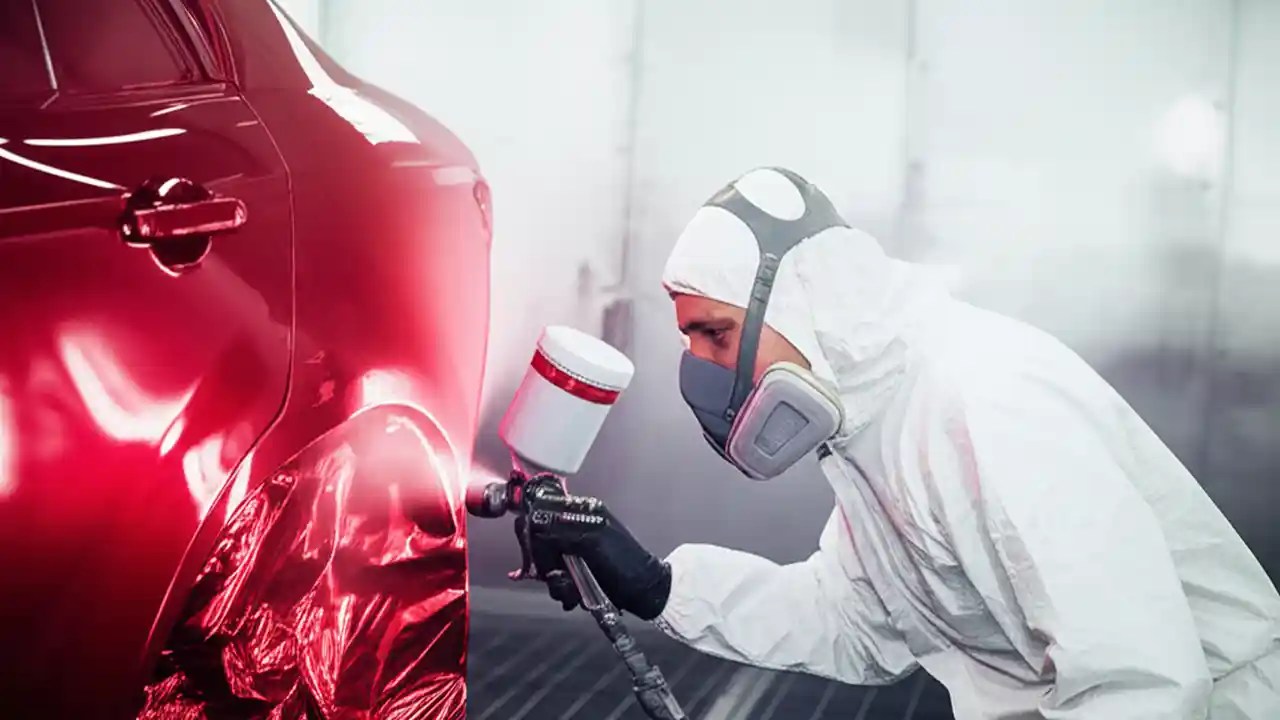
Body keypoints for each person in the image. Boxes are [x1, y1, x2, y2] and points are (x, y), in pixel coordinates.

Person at [526, 167, 1280, 719]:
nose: (705, 372)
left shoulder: (985, 399)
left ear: (798, 300)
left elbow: (1143, 686)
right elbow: (861, 625)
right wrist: (656, 585)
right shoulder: (872, 420)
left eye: (716, 335)